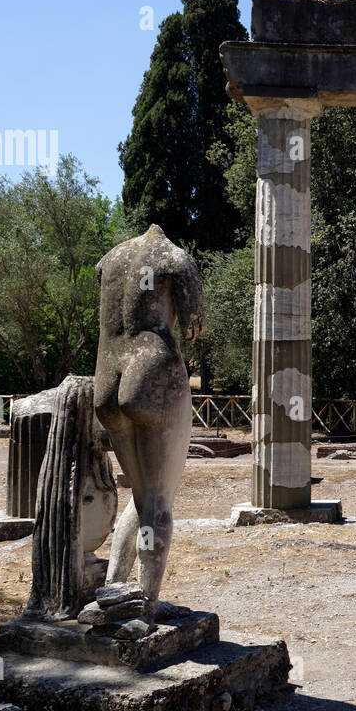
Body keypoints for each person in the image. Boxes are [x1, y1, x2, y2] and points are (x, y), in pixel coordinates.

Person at [93, 225, 205, 616]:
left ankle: (113, 589)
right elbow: (193, 327)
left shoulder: (109, 261)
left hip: (107, 380)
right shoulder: (175, 259)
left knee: (141, 497)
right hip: (153, 375)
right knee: (159, 501)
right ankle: (146, 602)